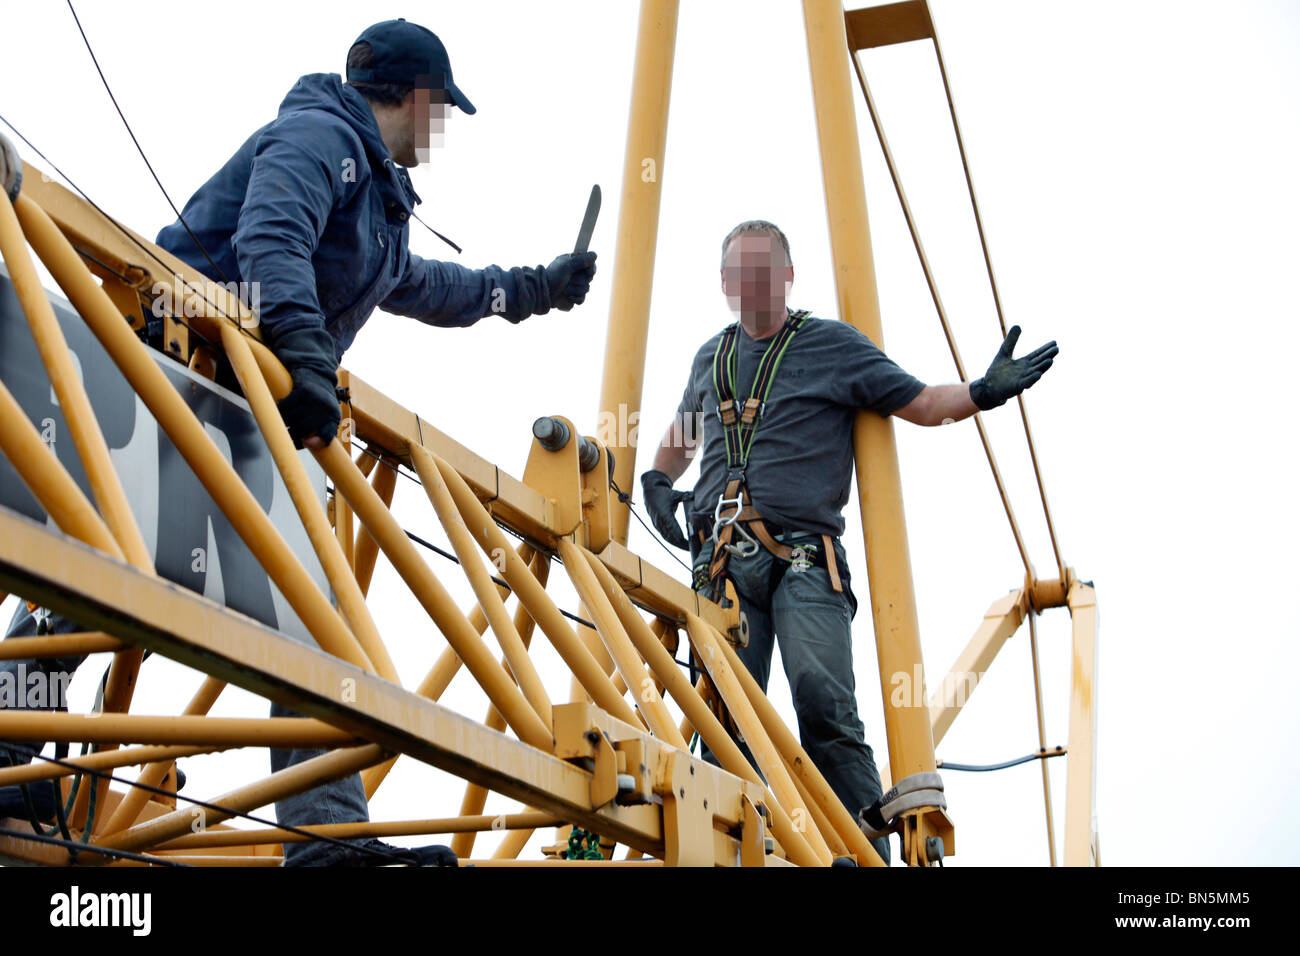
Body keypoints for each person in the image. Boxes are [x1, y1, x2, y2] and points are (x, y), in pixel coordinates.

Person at [1, 19, 598, 866]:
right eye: (441, 108)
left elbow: (433, 288)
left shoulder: (380, 205)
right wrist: (304, 349)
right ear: (415, 96)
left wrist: (532, 289)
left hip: (247, 409)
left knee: (312, 606)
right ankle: (9, 740)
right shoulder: (321, 138)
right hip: (171, 375)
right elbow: (271, 238)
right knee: (97, 562)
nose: (441, 126)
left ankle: (323, 835)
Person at [640, 220, 1056, 865]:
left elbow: (921, 402)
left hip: (804, 559)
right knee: (724, 717)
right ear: (724, 282)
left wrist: (981, 393)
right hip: (722, 561)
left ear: (787, 276)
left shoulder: (831, 345)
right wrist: (659, 480)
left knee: (822, 701)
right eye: (740, 272)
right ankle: (736, 850)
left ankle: (862, 850)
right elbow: (685, 432)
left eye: (764, 269)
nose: (752, 282)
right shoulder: (711, 359)